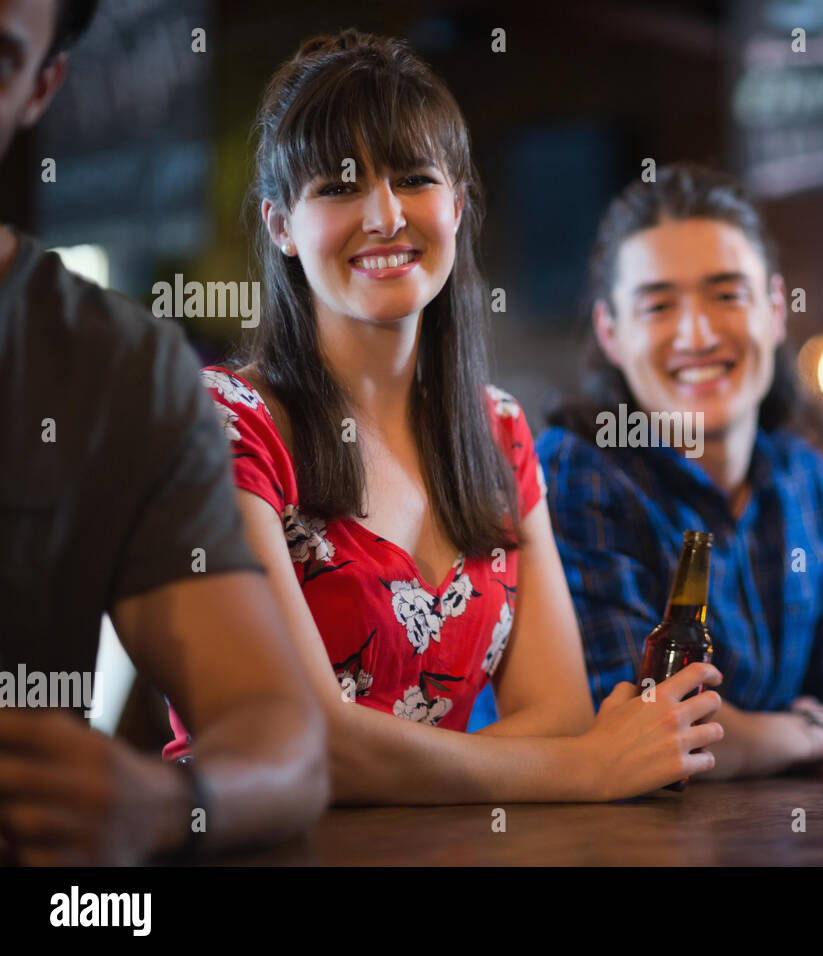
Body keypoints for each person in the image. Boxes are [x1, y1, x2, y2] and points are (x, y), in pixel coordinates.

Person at [167, 30, 723, 804]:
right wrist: (589, 767)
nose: (386, 215)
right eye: (338, 187)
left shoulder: (498, 432)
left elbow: (558, 712)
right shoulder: (221, 424)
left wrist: (400, 763)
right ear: (280, 226)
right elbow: (305, 740)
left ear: (457, 205)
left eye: (415, 178)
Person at [0, 0, 328, 864]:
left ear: (41, 89)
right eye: (337, 185)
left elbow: (283, 741)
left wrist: (164, 802)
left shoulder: (119, 371)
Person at [537, 164, 823, 780]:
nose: (699, 332)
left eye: (727, 294)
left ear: (773, 310)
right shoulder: (578, 469)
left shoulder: (802, 479)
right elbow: (647, 733)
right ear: (611, 332)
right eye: (658, 304)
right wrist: (813, 734)